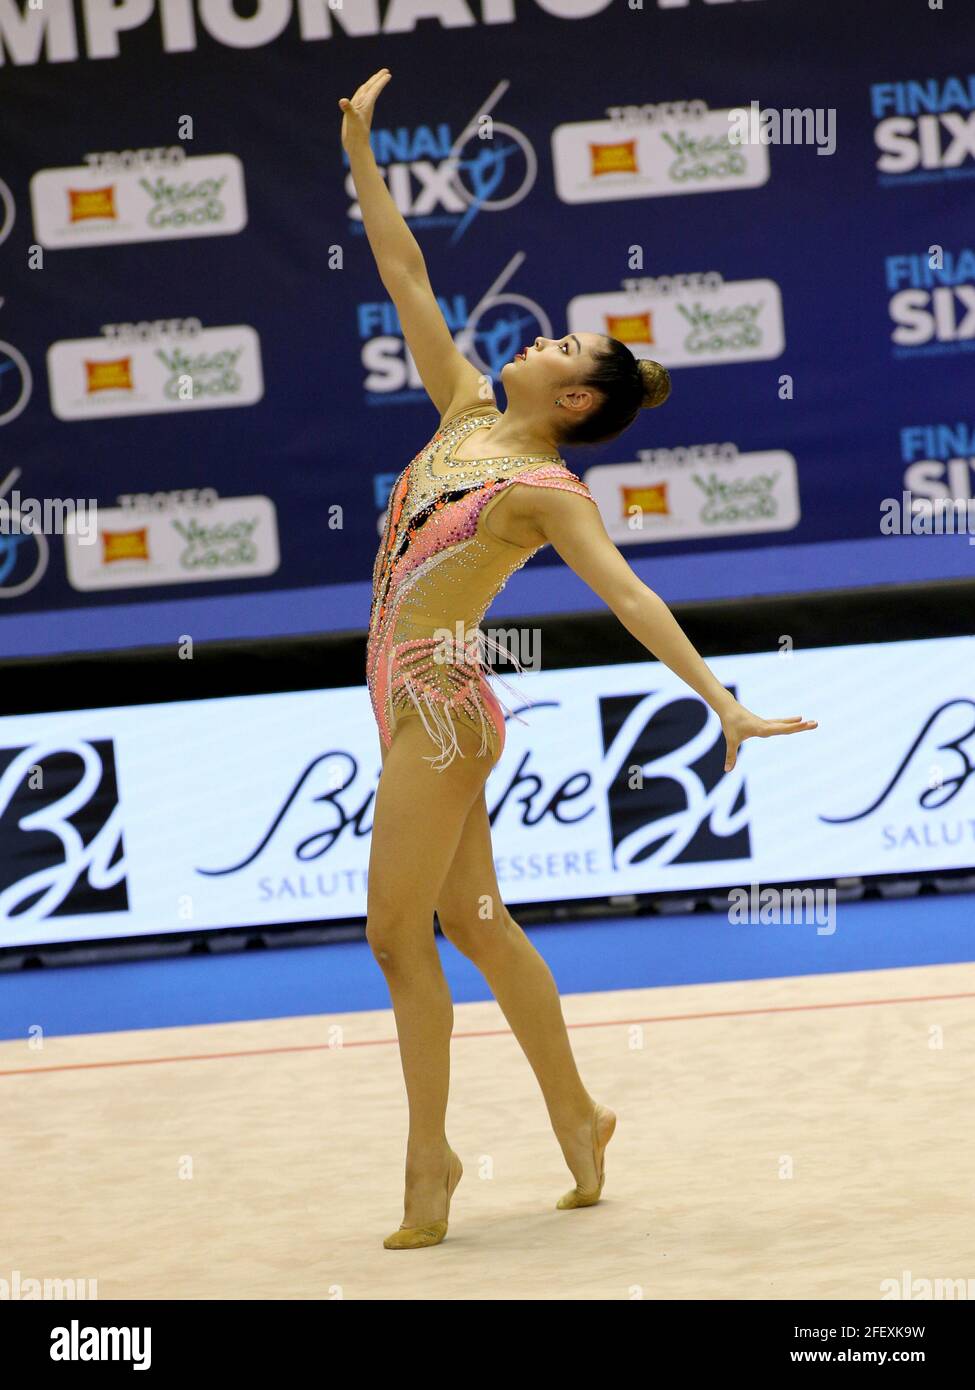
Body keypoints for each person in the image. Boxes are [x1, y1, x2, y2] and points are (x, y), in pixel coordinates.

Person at [340, 70, 818, 1250]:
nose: (540, 335)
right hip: (413, 703)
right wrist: (360, 148)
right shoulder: (459, 412)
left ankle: (430, 1159)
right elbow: (404, 269)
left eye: (561, 343)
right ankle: (580, 1118)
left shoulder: (544, 487)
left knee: (399, 938)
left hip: (443, 708)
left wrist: (721, 698)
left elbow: (630, 592)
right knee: (483, 923)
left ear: (575, 397)